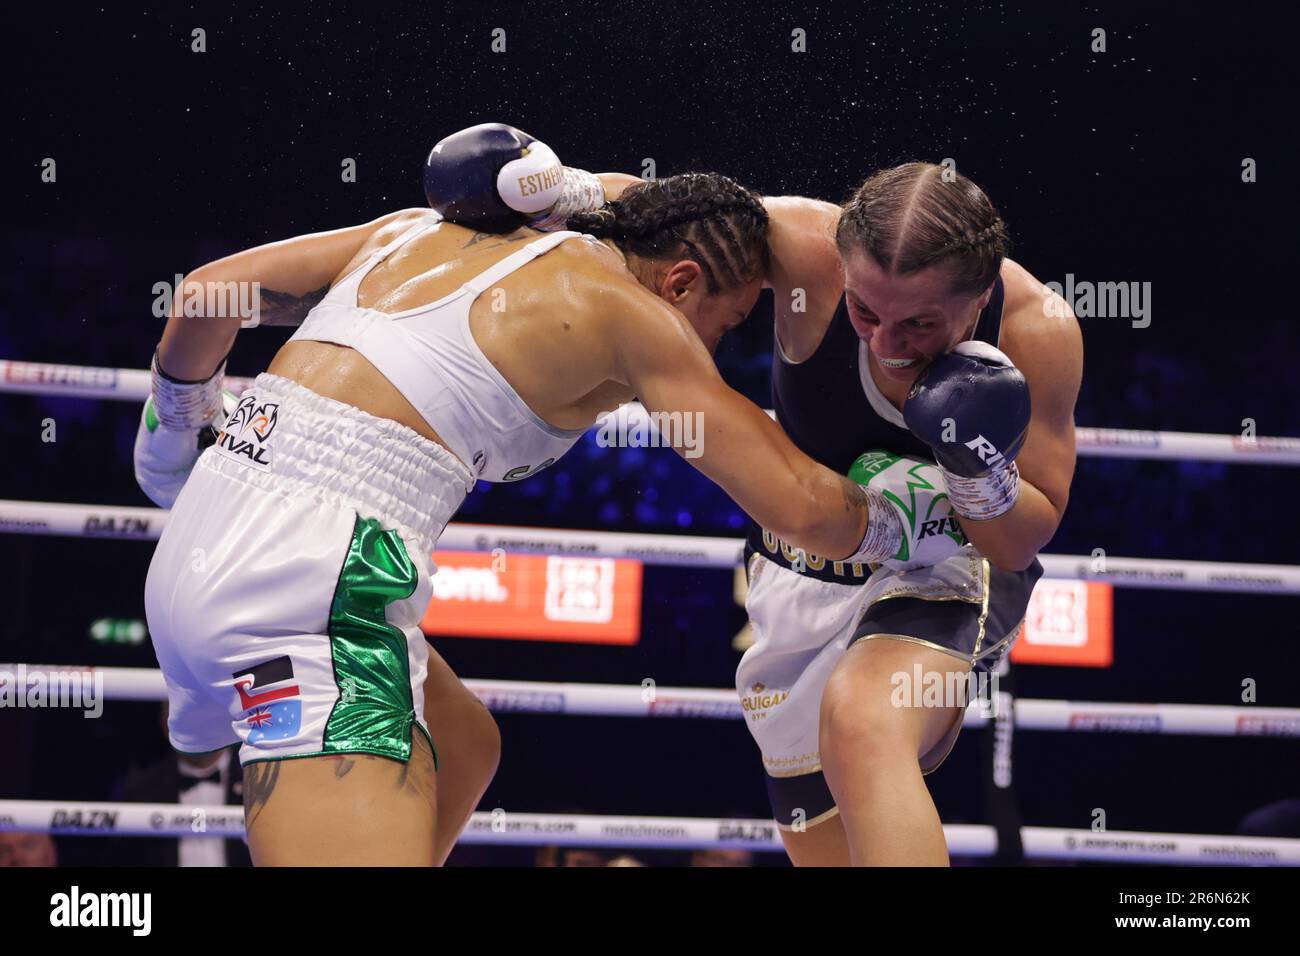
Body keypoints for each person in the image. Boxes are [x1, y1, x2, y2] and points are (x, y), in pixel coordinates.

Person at [135, 126, 959, 866]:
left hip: (203, 543)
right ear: (679, 283)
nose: (719, 344)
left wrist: (174, 432)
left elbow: (207, 294)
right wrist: (915, 518)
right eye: (730, 319)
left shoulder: (415, 232)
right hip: (311, 598)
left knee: (463, 745)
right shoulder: (629, 318)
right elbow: (802, 509)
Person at [466, 135, 1081, 866]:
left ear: (979, 297)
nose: (887, 343)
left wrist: (976, 465)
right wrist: (548, 190)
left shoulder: (1035, 329)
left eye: (920, 324)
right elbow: (652, 206)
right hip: (799, 568)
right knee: (821, 840)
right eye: (865, 311)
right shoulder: (798, 246)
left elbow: (1018, 542)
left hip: (944, 570)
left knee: (865, 724)